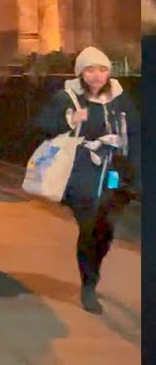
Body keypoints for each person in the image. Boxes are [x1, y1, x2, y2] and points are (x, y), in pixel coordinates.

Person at [35, 46, 138, 314]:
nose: (97, 76)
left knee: (106, 231)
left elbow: (136, 134)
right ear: (81, 72)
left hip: (114, 173)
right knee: (90, 227)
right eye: (90, 70)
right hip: (81, 172)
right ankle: (88, 285)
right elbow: (42, 126)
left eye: (102, 70)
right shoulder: (67, 98)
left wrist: (134, 172)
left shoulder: (120, 99)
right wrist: (69, 120)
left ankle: (94, 271)